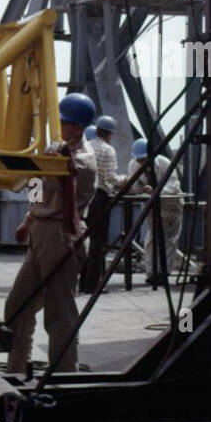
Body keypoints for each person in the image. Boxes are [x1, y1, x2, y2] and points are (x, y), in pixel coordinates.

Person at [5, 92, 98, 374]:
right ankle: (18, 368)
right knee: (17, 308)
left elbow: (61, 176)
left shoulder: (82, 160)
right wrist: (29, 219)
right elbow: (37, 186)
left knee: (59, 315)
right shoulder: (56, 151)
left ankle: (63, 375)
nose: (58, 127)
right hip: (40, 233)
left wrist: (43, 162)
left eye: (63, 123)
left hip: (62, 235)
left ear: (78, 128)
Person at [126, 137, 183, 285]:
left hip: (170, 205)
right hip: (152, 205)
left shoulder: (164, 163)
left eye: (144, 159)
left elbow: (174, 185)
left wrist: (156, 190)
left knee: (168, 240)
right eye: (139, 160)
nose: (141, 163)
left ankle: (163, 273)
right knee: (151, 239)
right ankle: (151, 273)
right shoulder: (134, 164)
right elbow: (134, 186)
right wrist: (140, 189)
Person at [80, 114, 121, 293]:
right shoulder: (108, 150)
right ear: (109, 133)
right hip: (100, 198)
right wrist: (125, 180)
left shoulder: (86, 145)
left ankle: (81, 282)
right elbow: (111, 178)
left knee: (85, 238)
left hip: (85, 197)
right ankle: (92, 285)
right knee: (98, 243)